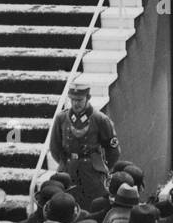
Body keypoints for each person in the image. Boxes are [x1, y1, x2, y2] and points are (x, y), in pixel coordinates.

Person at [47, 78, 121, 212]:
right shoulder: (61, 118)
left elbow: (113, 151)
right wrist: (66, 162)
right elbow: (55, 148)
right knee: (67, 206)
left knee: (94, 206)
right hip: (68, 171)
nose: (76, 103)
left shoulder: (100, 119)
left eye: (79, 100)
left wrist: (101, 167)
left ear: (88, 98)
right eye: (73, 100)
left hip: (92, 173)